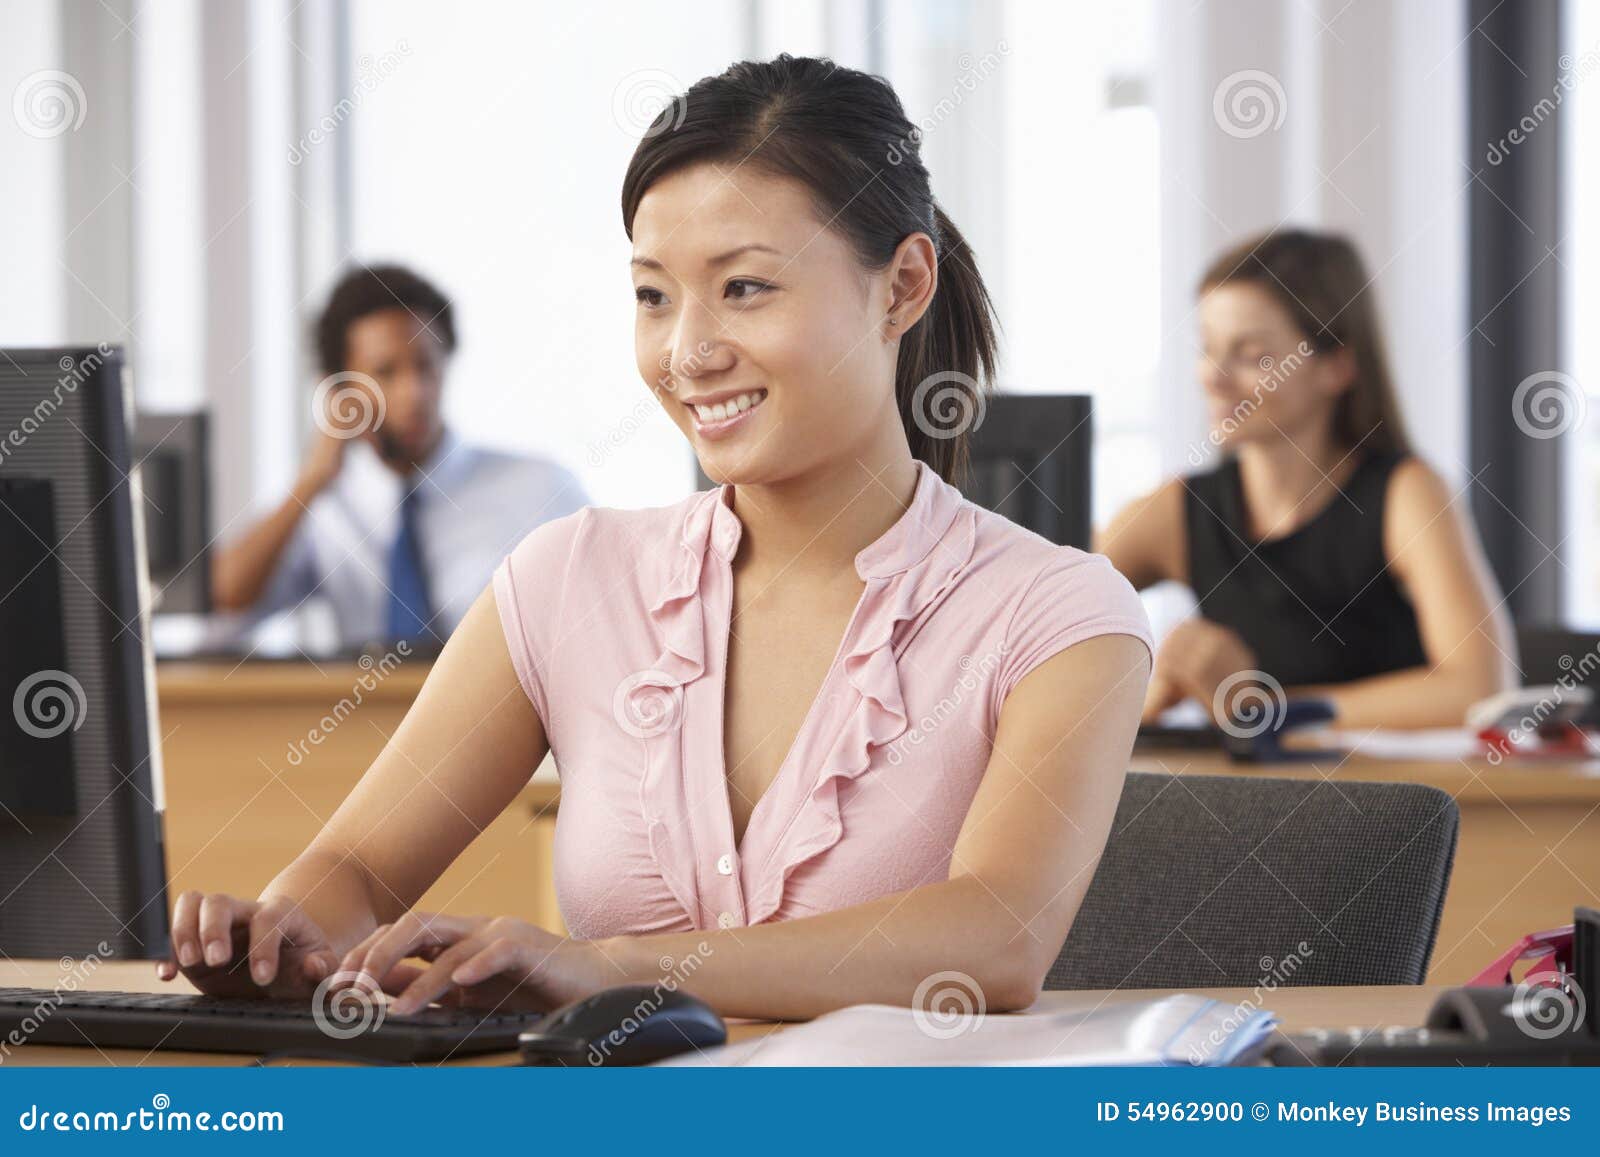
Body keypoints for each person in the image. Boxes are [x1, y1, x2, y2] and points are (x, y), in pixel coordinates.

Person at [158, 55, 1152, 1020]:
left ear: (900, 286)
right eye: (652, 294)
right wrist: (289, 933)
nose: (687, 351)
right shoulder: (567, 577)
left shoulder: (1060, 614)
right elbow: (360, 868)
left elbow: (996, 936)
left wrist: (614, 968)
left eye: (745, 287)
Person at [1098, 229, 1515, 731]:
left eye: (1252, 355)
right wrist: (1139, 693)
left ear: (1336, 367)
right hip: (1248, 803)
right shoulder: (1178, 509)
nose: (1213, 376)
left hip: (1389, 802)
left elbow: (1480, 688)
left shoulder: (1406, 494)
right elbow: (1038, 616)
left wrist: (1263, 708)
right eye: (1208, 349)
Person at [210, 264, 588, 650]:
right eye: (386, 372)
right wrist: (312, 479)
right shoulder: (326, 512)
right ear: (341, 391)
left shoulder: (541, 489)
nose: (414, 393)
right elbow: (225, 599)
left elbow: (596, 626)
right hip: (367, 709)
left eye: (426, 366)